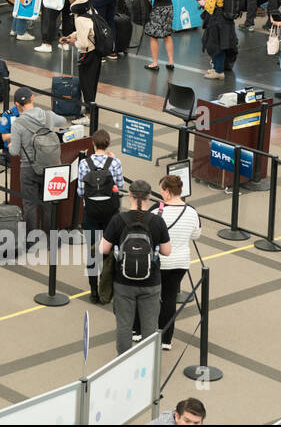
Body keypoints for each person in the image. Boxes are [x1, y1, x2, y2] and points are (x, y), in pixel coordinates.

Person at [100, 180, 172, 354]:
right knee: (150, 326)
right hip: (151, 282)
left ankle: (123, 362)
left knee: (124, 325)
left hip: (123, 282)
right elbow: (166, 251)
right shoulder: (157, 221)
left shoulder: (118, 220)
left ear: (130, 196)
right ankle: (147, 363)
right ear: (148, 198)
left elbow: (103, 248)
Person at [137, 176, 200, 351]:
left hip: (159, 261)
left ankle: (142, 332)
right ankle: (166, 339)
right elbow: (196, 235)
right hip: (180, 263)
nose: (161, 193)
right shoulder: (192, 212)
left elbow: (144, 230)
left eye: (162, 190)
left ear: (168, 191)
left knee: (148, 296)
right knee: (169, 298)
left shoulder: (157, 210)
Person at [7, 87, 67, 233]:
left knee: (30, 205)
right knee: (49, 204)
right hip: (51, 167)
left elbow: (14, 151)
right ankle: (50, 237)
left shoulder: (18, 124)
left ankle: (32, 241)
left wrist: (10, 144)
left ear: (16, 105)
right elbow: (63, 121)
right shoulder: (48, 116)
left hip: (29, 169)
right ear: (32, 98)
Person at [74, 130, 124, 303]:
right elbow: (120, 186)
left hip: (91, 213)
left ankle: (94, 291)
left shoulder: (84, 164)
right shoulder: (115, 163)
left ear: (93, 144)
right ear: (108, 144)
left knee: (92, 250)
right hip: (111, 214)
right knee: (109, 249)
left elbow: (81, 191)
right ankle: (106, 286)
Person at [62, 0, 102, 112]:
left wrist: (72, 41)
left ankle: (89, 115)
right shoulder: (91, 10)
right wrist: (72, 36)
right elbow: (87, 31)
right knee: (93, 83)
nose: (68, 0)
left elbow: (83, 43)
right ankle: (91, 108)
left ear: (75, 0)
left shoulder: (80, 19)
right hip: (97, 51)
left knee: (86, 84)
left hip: (87, 53)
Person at [141, 0, 177, 70]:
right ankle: (171, 61)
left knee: (153, 36)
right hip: (169, 7)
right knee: (167, 35)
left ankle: (155, 63)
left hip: (158, 9)